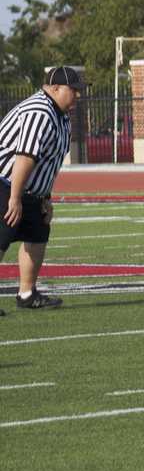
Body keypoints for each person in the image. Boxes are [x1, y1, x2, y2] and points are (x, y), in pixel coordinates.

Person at [0, 66, 82, 314]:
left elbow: (50, 161)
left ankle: (27, 293)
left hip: (28, 188)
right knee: (1, 237)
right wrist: (15, 197)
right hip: (6, 182)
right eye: (73, 89)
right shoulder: (39, 111)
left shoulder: (61, 116)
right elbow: (25, 157)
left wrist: (45, 196)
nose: (78, 95)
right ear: (55, 88)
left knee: (37, 235)